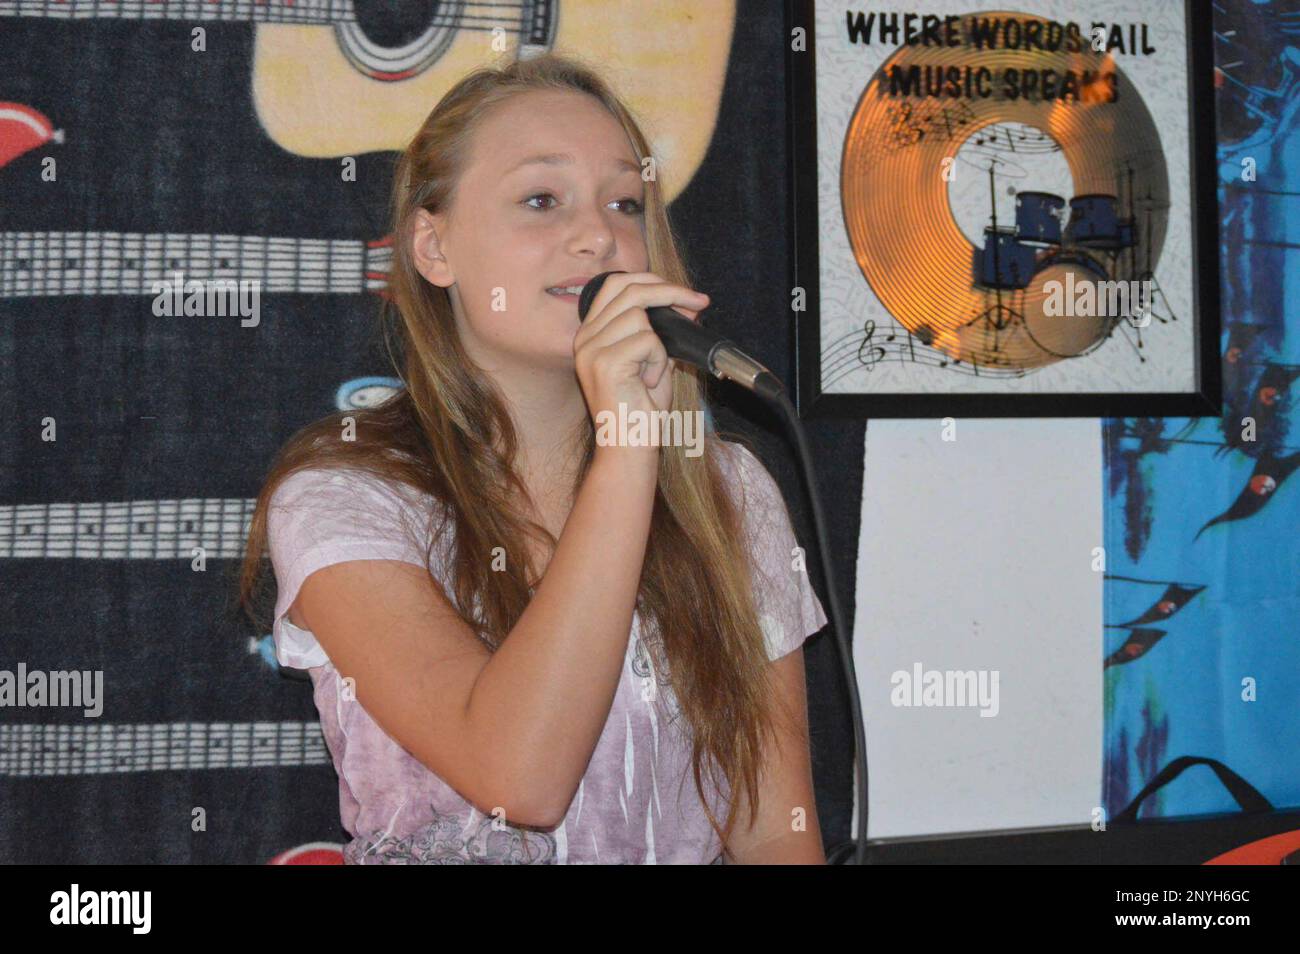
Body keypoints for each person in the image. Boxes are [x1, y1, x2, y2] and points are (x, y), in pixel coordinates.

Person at [238, 52, 827, 864]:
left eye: (625, 201)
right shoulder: (343, 498)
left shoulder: (730, 493)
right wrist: (627, 450)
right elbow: (520, 778)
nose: (599, 236)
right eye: (541, 200)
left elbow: (773, 830)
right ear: (433, 248)